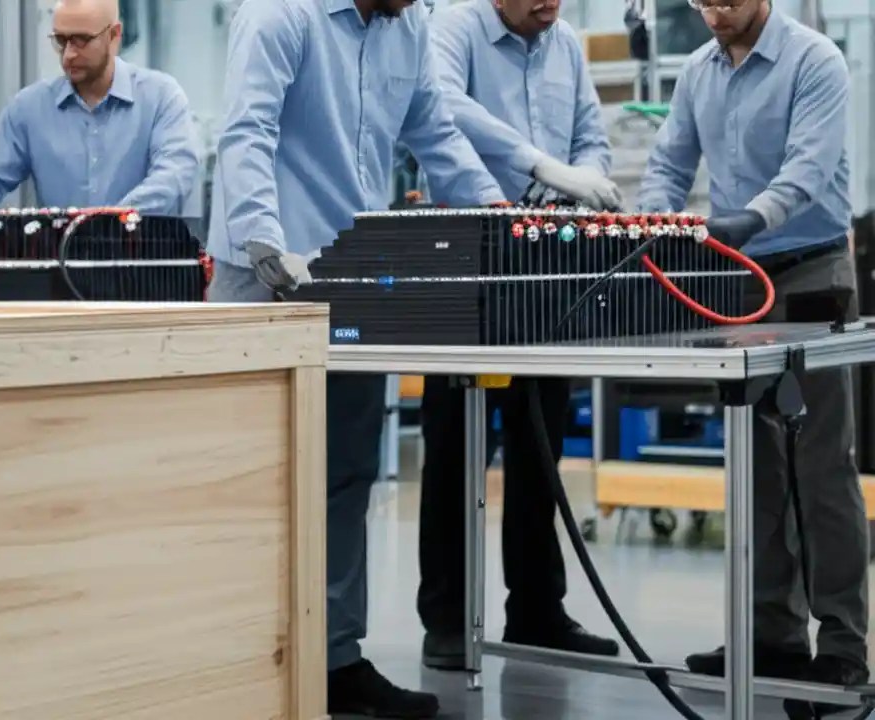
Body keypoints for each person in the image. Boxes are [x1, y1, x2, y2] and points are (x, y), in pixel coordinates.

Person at [208, 0, 508, 716]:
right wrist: (262, 238)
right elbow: (246, 130)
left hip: (351, 273)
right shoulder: (280, 15)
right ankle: (228, 656)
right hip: (263, 272)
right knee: (243, 475)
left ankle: (335, 659)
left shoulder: (408, 26)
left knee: (345, 470)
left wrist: (501, 216)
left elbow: (434, 129)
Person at [637, 1, 868, 713]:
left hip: (811, 274)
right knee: (756, 463)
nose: (715, 12)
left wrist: (746, 219)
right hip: (736, 284)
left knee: (820, 464)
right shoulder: (697, 73)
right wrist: (653, 222)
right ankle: (772, 636)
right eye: (702, 0)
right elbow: (669, 162)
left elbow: (806, 171)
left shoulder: (814, 61)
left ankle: (842, 648)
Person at [416, 0, 622, 673]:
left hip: (545, 260)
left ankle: (537, 610)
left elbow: (591, 134)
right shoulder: (452, 28)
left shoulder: (564, 43)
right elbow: (442, 105)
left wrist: (576, 179)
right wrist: (539, 165)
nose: (550, 4)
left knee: (541, 441)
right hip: (464, 254)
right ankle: (446, 617)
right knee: (454, 445)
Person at [0, 0, 198, 215]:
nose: (69, 54)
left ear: (114, 36)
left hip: (143, 268)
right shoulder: (30, 108)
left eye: (81, 40)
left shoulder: (160, 96)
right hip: (62, 273)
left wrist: (114, 220)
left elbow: (175, 173)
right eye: (61, 40)